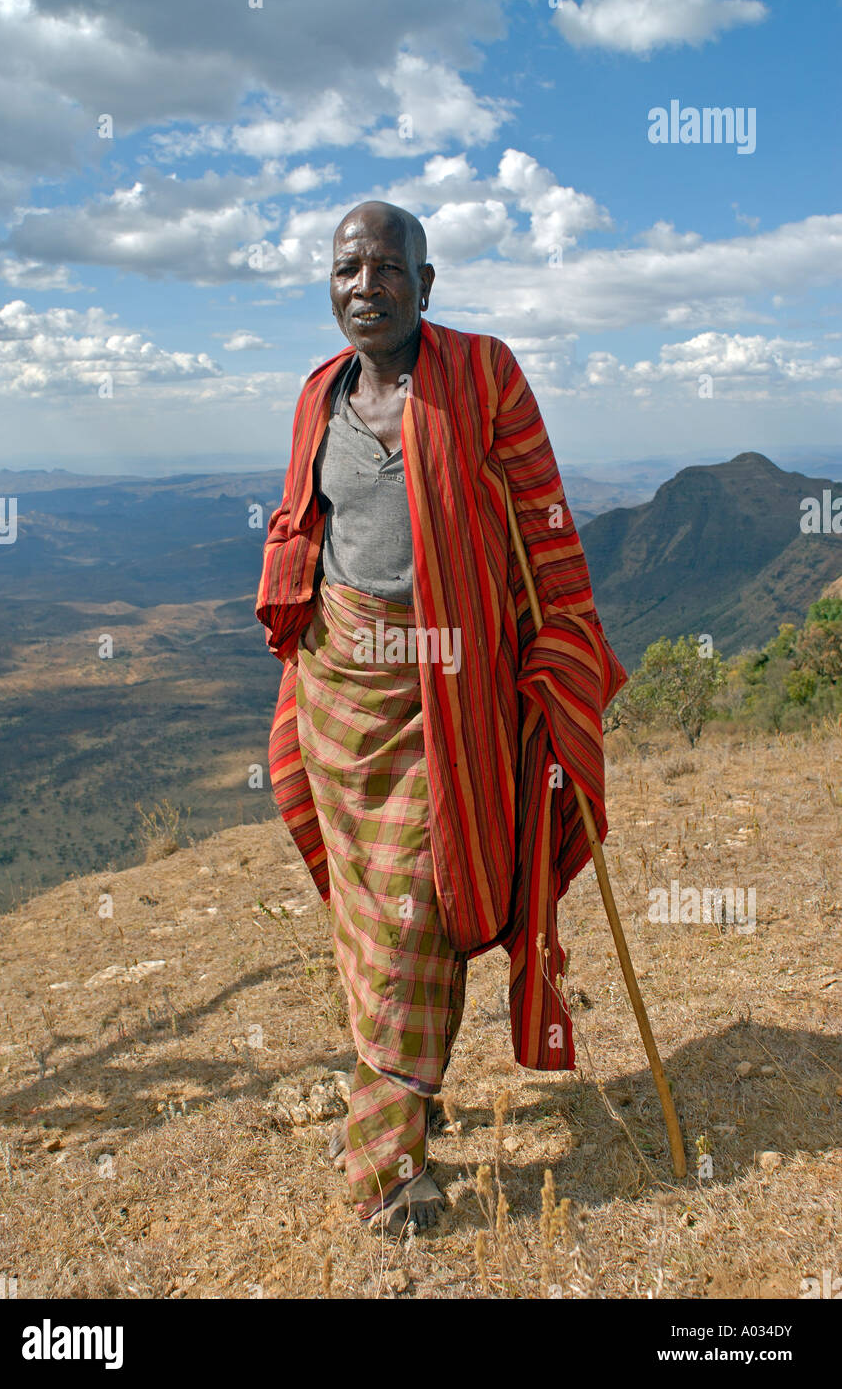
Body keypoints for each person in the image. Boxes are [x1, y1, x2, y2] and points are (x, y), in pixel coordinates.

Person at [255, 200, 626, 1233]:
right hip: (338, 688)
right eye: (345, 269)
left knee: (420, 905)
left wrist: (561, 653)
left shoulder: (485, 376)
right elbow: (301, 527)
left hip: (448, 691)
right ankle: (402, 1105)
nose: (363, 286)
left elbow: (544, 521)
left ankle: (384, 1163)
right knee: (371, 919)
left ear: (427, 282)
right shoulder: (316, 396)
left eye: (385, 268)